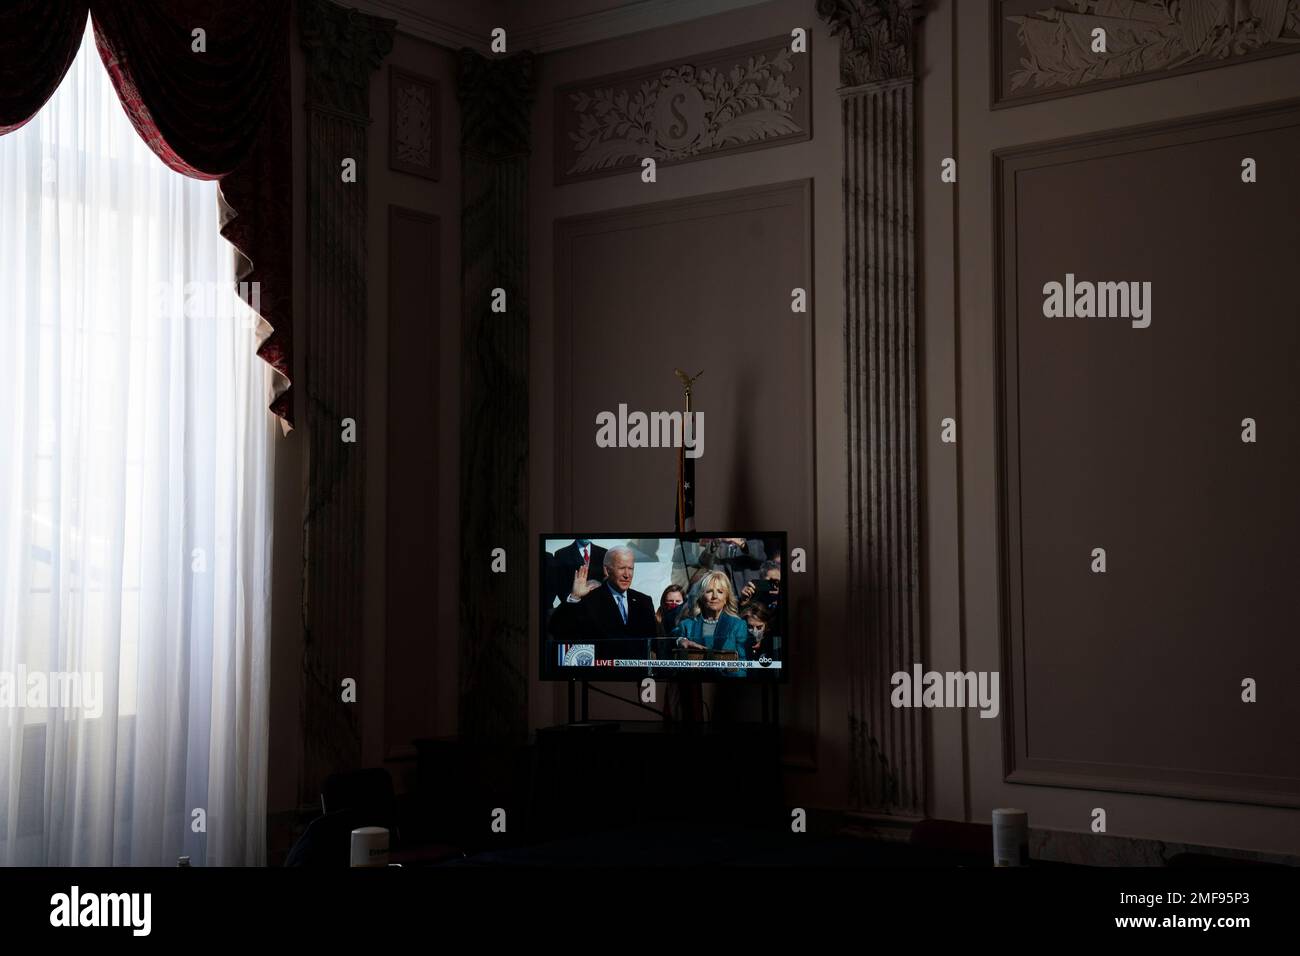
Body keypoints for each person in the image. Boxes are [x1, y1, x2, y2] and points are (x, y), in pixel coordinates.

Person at [547, 545, 657, 655]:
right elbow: (558, 628)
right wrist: (574, 596)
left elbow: (654, 643)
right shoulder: (589, 600)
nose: (627, 575)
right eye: (622, 568)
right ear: (607, 569)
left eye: (630, 568)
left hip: (637, 670)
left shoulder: (644, 601)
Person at [672, 571, 749, 668]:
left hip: (726, 681)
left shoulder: (738, 625)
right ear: (701, 596)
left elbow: (743, 664)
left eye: (720, 592)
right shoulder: (687, 625)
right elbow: (671, 636)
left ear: (726, 598)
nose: (715, 596)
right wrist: (680, 640)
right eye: (709, 591)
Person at [546, 538, 607, 609]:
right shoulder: (561, 554)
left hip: (599, 608)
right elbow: (559, 587)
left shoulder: (605, 553)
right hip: (574, 609)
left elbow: (608, 583)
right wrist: (574, 597)